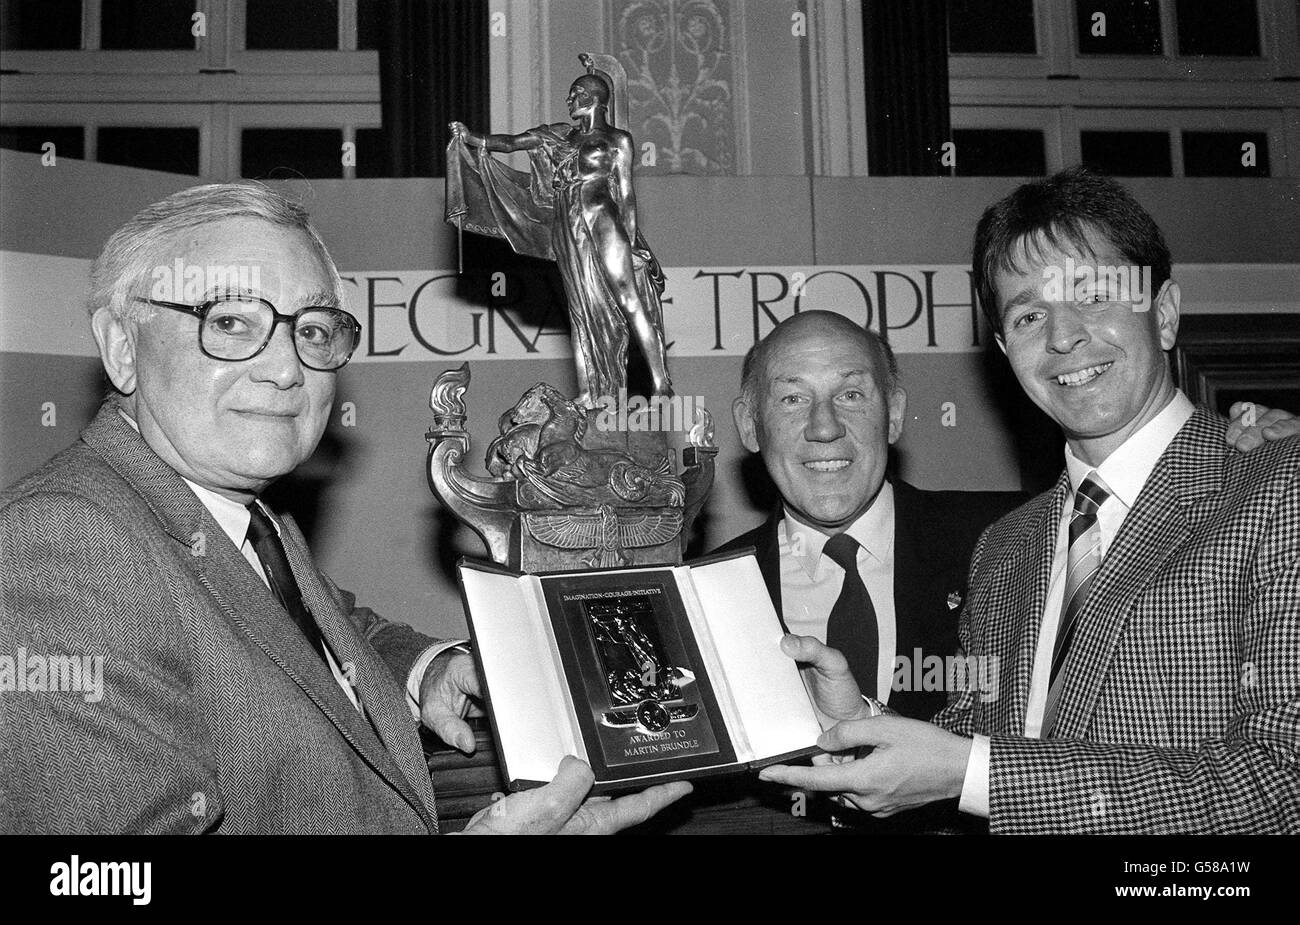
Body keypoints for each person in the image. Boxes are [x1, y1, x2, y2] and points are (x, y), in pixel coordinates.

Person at [0, 183, 688, 834]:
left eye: (314, 329)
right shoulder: (61, 546)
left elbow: (303, 642)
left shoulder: (244, 514)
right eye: (233, 321)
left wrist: (425, 670)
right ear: (123, 346)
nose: (285, 368)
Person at [758, 167, 1300, 833]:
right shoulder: (1006, 545)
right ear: (1005, 347)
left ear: (1163, 313)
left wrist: (975, 774)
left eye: (1094, 296)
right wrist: (862, 728)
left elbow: (1284, 784)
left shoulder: (1278, 488)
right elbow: (972, 739)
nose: (1063, 336)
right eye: (1029, 315)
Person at [717, 311, 1021, 723]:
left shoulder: (1011, 539)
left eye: (851, 395)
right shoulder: (714, 595)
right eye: (792, 399)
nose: (824, 428)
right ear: (750, 426)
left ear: (894, 414)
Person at [449, 74, 671, 406]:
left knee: (628, 299)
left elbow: (625, 195)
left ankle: (660, 381)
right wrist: (472, 138)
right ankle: (588, 392)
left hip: (603, 219)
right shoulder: (558, 136)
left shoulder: (617, 140)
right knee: (580, 309)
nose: (569, 101)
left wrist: (634, 241)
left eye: (576, 94)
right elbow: (511, 143)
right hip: (567, 225)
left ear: (595, 98)